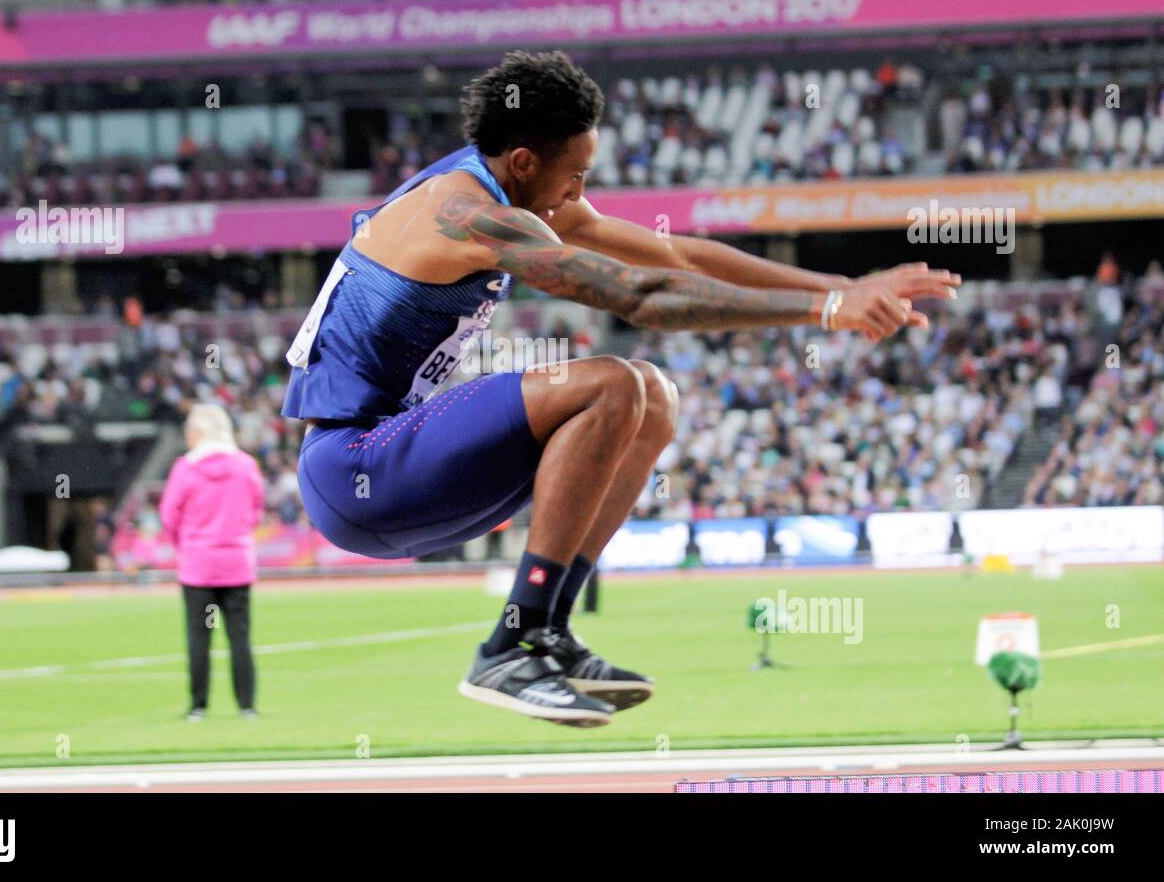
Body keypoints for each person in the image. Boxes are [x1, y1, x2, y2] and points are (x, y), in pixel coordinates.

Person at [281, 51, 959, 727]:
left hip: (396, 467)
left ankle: (544, 631)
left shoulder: (500, 189)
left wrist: (841, 286)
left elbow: (675, 256)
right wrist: (822, 315)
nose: (578, 193)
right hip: (355, 468)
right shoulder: (469, 214)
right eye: (575, 174)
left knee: (652, 396)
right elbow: (643, 296)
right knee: (611, 384)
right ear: (524, 162)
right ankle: (511, 646)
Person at [159, 403, 265, 721]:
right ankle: (247, 706)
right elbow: (256, 509)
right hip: (236, 563)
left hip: (198, 566)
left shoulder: (186, 468)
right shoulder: (245, 466)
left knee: (198, 638)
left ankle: (198, 706)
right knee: (240, 637)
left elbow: (169, 515)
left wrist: (188, 545)